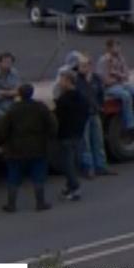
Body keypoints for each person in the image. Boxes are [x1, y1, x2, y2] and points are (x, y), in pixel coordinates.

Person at [0, 84, 56, 213]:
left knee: (13, 177)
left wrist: (0, 142)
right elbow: (52, 124)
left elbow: (2, 130)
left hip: (15, 149)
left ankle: (11, 204)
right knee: (38, 176)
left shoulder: (12, 110)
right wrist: (50, 138)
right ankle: (40, 202)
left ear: (19, 94)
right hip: (38, 147)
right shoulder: (40, 108)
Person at [74, 54, 115, 178]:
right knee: (85, 143)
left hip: (94, 113)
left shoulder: (96, 78)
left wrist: (100, 106)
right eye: (81, 66)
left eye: (86, 65)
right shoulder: (76, 80)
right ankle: (88, 168)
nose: (83, 68)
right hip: (82, 115)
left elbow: (101, 93)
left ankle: (101, 166)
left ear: (90, 66)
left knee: (98, 140)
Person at [96, 39, 134, 136]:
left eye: (119, 46)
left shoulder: (120, 58)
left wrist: (116, 74)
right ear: (109, 48)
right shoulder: (103, 61)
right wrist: (119, 77)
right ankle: (130, 126)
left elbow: (126, 75)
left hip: (120, 84)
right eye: (115, 46)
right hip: (109, 87)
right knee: (126, 96)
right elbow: (105, 80)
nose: (118, 49)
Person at [53, 70, 88, 202]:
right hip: (78, 133)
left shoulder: (63, 100)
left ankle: (74, 187)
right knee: (75, 161)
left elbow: (58, 118)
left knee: (67, 164)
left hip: (66, 135)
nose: (60, 83)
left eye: (62, 80)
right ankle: (69, 186)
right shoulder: (81, 97)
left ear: (68, 81)